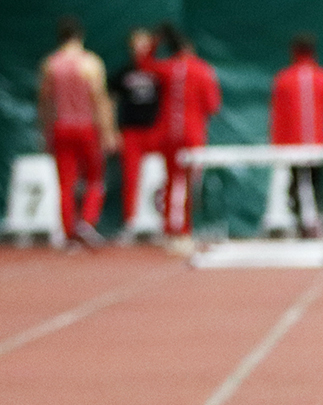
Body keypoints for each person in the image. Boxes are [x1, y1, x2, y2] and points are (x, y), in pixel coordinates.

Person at [38, 17, 119, 245]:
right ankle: (87, 220)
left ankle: (68, 232)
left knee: (65, 182)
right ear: (80, 36)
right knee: (95, 178)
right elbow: (99, 100)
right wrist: (108, 131)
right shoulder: (91, 64)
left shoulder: (50, 64)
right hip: (86, 128)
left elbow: (45, 102)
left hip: (62, 128)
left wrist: (46, 131)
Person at [268, 32, 323, 236]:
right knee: (316, 184)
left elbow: (276, 115)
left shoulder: (283, 79)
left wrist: (276, 145)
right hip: (318, 144)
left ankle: (301, 222)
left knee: (295, 182)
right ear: (313, 52)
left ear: (293, 52)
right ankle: (319, 221)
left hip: (291, 145)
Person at [154, 23, 221, 244]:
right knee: (191, 182)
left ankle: (169, 228)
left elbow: (144, 65)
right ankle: (185, 229)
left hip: (168, 133)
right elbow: (212, 105)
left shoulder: (167, 68)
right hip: (192, 133)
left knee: (171, 181)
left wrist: (153, 42)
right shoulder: (203, 70)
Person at [110, 27, 162, 231]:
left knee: (161, 175)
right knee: (131, 177)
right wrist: (112, 130)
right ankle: (131, 223)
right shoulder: (125, 72)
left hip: (156, 130)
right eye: (136, 45)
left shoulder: (160, 70)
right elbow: (110, 99)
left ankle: (162, 221)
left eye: (144, 44)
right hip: (131, 132)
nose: (140, 49)